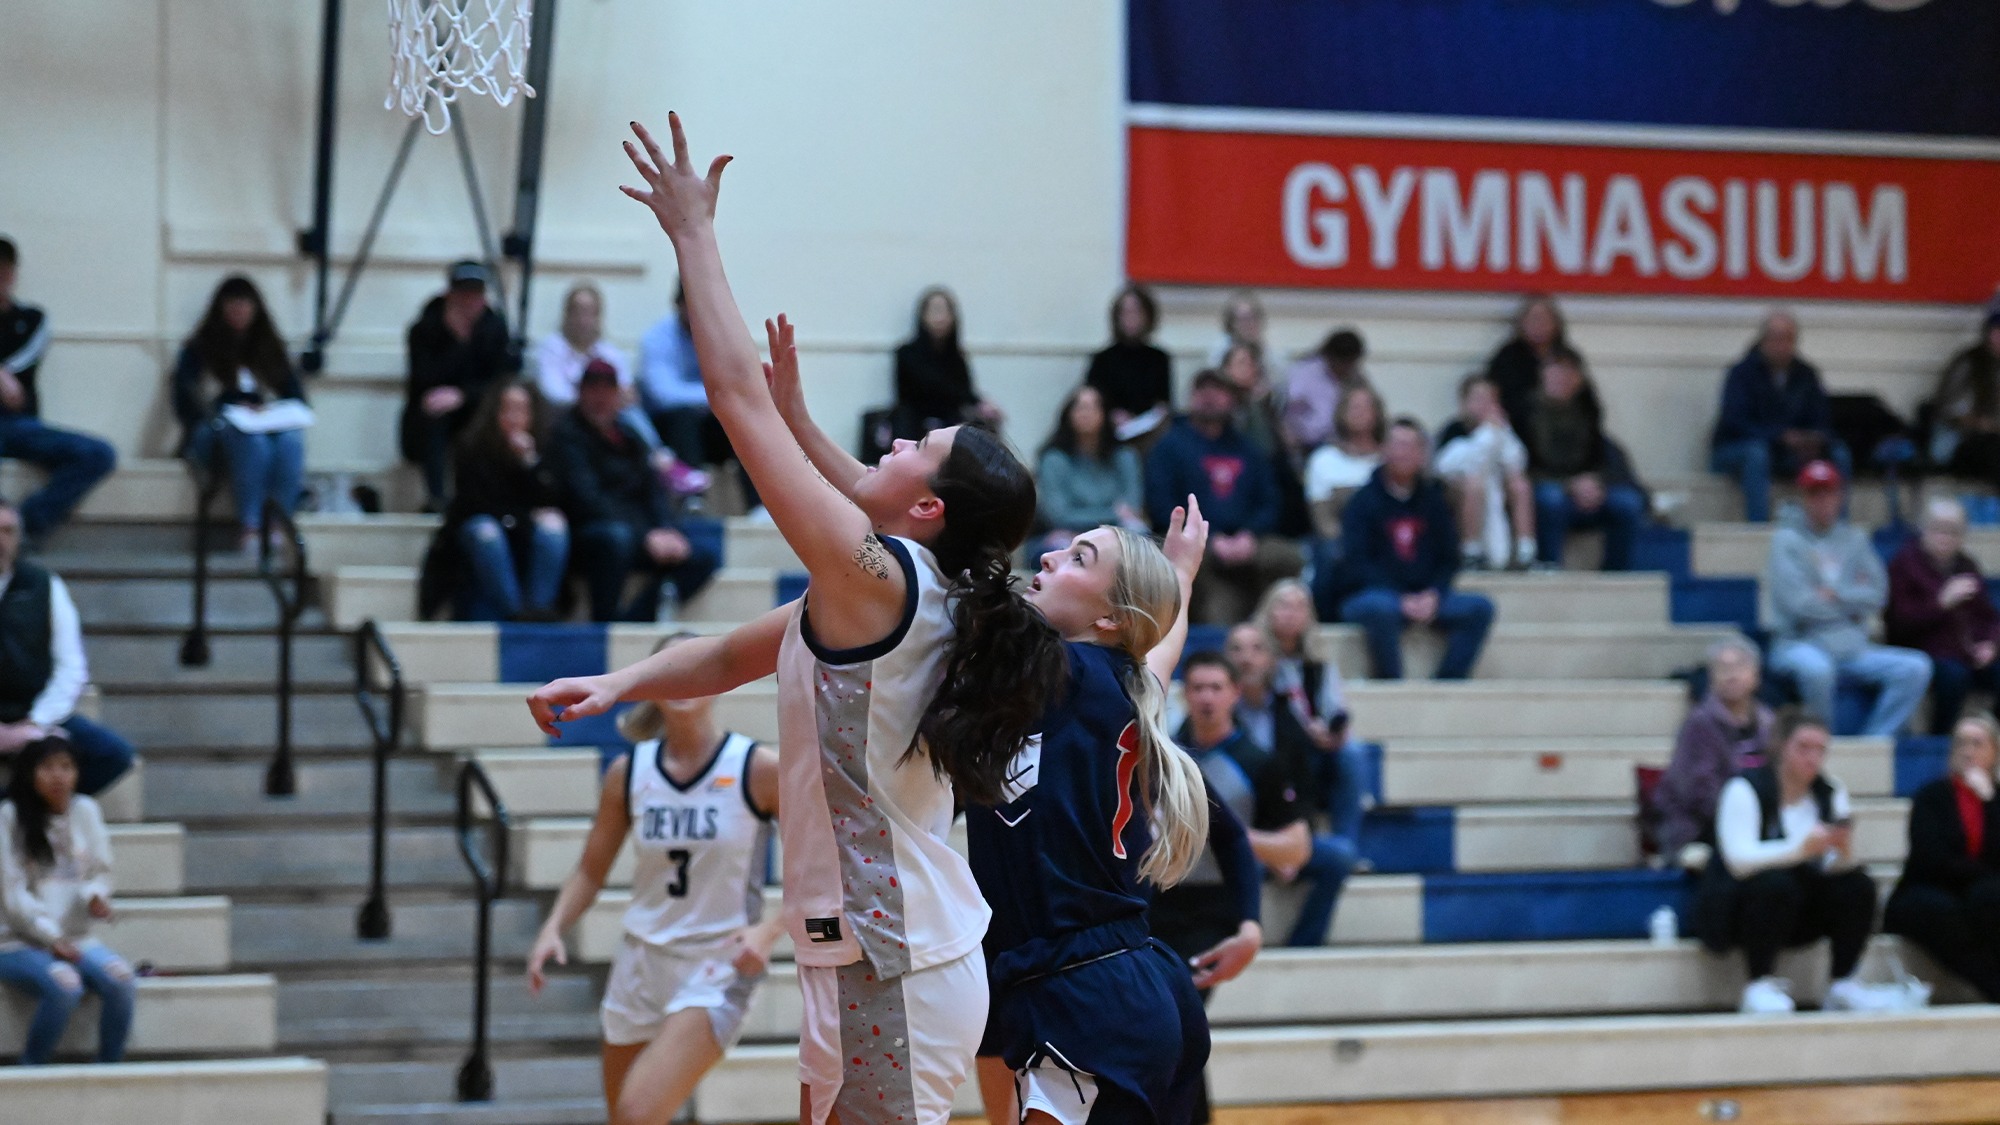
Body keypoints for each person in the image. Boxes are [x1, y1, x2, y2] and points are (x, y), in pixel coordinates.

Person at [531, 116, 1066, 1125]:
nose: (896, 440)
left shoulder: (882, 582)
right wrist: (618, 683)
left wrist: (693, 233)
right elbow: (727, 654)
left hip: (890, 960)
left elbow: (733, 399)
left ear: (929, 506)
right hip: (870, 958)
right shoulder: (904, 587)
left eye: (917, 443)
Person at [968, 505, 1220, 1125]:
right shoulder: (1120, 684)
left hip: (1087, 993)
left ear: (1110, 618)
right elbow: (1160, 651)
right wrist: (1179, 577)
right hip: (1124, 980)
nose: (1049, 555)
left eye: (1079, 557)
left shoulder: (1063, 669)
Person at [527, 634, 782, 1124]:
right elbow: (590, 870)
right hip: (640, 960)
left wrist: (769, 932)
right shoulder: (629, 772)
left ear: (717, 681)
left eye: (693, 671)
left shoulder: (757, 767)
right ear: (653, 685)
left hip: (716, 962)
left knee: (637, 1113)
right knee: (624, 1117)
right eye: (671, 673)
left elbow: (820, 865)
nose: (683, 685)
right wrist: (554, 926)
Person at [1692, 712, 1910, 1014]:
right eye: (1803, 747)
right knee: (1776, 883)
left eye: (1820, 749)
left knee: (1858, 885)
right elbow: (1738, 861)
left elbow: (1834, 866)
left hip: (1800, 909)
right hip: (1741, 908)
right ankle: (1758, 984)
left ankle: (1843, 983)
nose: (1812, 758)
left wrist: (1844, 850)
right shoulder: (1743, 789)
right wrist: (1799, 849)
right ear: (1780, 746)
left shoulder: (1830, 792)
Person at [1765, 460, 1932, 737]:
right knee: (1817, 670)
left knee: (1916, 667)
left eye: (1829, 493)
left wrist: (1837, 595)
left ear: (1839, 496)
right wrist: (1852, 607)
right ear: (1804, 497)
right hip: (1798, 642)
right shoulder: (1786, 541)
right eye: (1815, 494)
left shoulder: (1855, 539)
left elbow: (1878, 594)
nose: (1823, 501)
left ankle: (1874, 743)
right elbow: (1798, 605)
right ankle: (1821, 744)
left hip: (1851, 645)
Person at [550, 361, 720, 623]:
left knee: (702, 555)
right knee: (614, 539)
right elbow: (587, 499)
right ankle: (604, 623)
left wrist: (665, 529)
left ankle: (636, 618)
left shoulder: (630, 435)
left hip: (635, 532)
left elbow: (653, 490)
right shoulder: (566, 436)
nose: (600, 398)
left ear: (617, 395)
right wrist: (645, 535)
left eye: (607, 390)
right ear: (581, 393)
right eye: (593, 389)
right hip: (587, 533)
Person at [1225, 623, 1362, 948]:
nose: (1246, 658)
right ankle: (1238, 946)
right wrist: (1270, 851)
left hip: (1282, 832)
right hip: (1234, 838)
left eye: (1257, 649)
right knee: (1241, 867)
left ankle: (1304, 945)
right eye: (1237, 649)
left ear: (1271, 660)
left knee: (1340, 856)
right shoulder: (1215, 719)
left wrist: (1290, 844)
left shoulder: (1289, 714)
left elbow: (1303, 788)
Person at [0, 737, 135, 1064]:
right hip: (16, 940)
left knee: (122, 980)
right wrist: (51, 937)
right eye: (47, 768)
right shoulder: (10, 816)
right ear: (30, 773)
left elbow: (100, 871)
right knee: (65, 984)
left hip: (75, 938)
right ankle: (32, 1070)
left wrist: (95, 897)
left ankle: (110, 1071)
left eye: (66, 767)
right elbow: (12, 893)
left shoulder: (85, 810)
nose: (58, 776)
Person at [1337, 419, 1495, 681]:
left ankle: (1447, 684)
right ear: (1384, 450)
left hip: (1427, 596)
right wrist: (1401, 599)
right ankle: (1393, 684)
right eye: (1397, 445)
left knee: (1480, 608)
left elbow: (1449, 559)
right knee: (1379, 609)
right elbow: (1356, 562)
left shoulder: (1434, 501)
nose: (1404, 453)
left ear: (1422, 454)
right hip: (1376, 595)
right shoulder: (1362, 502)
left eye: (1411, 446)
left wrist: (1434, 594)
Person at [1145, 370, 1301, 625]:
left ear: (1232, 400)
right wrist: (1212, 538)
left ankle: (1277, 622)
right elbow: (1161, 505)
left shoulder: (1249, 449)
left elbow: (1270, 502)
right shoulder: (1169, 446)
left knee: (1289, 557)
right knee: (1199, 576)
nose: (1209, 397)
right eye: (1202, 390)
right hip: (1192, 539)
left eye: (1218, 391)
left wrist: (1249, 535)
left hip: (1248, 539)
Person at [0, 500, 133, 798]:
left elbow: (71, 666)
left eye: (8, 531)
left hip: (31, 709)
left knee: (113, 755)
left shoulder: (43, 585)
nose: (1, 541)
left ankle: (21, 807)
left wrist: (35, 722)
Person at [170, 275, 309, 552]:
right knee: (251, 442)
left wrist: (268, 409)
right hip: (216, 426)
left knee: (291, 441)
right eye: (233, 307)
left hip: (264, 422)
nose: (239, 313)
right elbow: (187, 399)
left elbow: (295, 397)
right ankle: (251, 524)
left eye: (245, 306)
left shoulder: (271, 349)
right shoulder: (199, 348)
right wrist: (228, 408)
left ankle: (279, 522)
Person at [0, 238, 116, 547]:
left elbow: (22, 370)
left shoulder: (32, 319)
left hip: (19, 425)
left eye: (4, 269)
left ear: (13, 273)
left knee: (98, 454)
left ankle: (22, 526)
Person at [1884, 713, 2000, 1002]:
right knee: (1942, 911)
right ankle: (1993, 986)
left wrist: (1990, 803)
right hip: (1929, 889)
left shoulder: (1996, 800)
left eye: (1977, 743)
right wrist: (1982, 875)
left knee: (1989, 897)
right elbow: (1931, 860)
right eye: (1961, 743)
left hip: (1978, 892)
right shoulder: (1931, 796)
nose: (1968, 751)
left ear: (1995, 752)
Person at [439, 381, 568, 622]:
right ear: (494, 412)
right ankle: (514, 612)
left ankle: (539, 609)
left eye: (522, 410)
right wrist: (517, 519)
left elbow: (552, 498)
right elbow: (474, 504)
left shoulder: (545, 448)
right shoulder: (471, 446)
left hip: (521, 528)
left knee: (554, 525)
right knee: (486, 532)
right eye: (508, 409)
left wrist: (529, 462)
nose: (514, 418)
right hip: (481, 527)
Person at [1709, 311, 1851, 524]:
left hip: (1789, 453)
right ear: (1763, 340)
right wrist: (1779, 436)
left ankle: (1839, 526)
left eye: (1788, 339)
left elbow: (1822, 418)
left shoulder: (1806, 374)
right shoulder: (1741, 373)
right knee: (1756, 454)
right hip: (1739, 449)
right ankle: (1758, 528)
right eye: (1776, 338)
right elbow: (1735, 422)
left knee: (1839, 453)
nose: (1782, 345)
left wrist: (1812, 438)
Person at [401, 260, 518, 511]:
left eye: (475, 295)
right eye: (463, 294)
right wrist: (458, 343)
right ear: (449, 295)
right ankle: (437, 499)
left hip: (478, 408)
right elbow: (422, 381)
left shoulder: (496, 329)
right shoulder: (424, 329)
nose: (469, 302)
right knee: (435, 413)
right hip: (429, 418)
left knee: (492, 417)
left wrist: (463, 395)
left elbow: (500, 382)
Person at [1656, 636, 1776, 866]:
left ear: (1756, 675)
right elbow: (1697, 792)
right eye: (1723, 669)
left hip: (1757, 825)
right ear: (1711, 678)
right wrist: (1742, 820)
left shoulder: (1769, 723)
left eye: (1740, 666)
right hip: (1701, 828)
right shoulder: (1699, 724)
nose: (1732, 675)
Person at [1524, 351, 1647, 571]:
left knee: (1627, 503)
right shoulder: (1524, 416)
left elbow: (1608, 462)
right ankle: (1549, 565)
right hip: (1548, 488)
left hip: (1589, 488)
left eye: (1567, 373)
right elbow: (1524, 467)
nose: (1560, 378)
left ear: (1578, 379)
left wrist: (1596, 483)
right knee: (1550, 498)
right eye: (1554, 372)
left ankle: (1618, 574)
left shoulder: (1589, 413)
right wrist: (1570, 485)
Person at [1886, 498, 2000, 734]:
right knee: (1954, 676)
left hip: (1968, 652)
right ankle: (1941, 738)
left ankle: (1992, 736)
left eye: (1953, 530)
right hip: (1925, 652)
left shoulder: (1966, 566)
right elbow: (1898, 624)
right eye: (1938, 528)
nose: (1945, 536)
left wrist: (1990, 644)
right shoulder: (1905, 564)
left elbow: (1988, 616)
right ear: (1923, 529)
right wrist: (1940, 603)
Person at [1434, 374, 1537, 571]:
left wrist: (1503, 432)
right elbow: (1446, 466)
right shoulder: (1455, 430)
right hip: (1459, 490)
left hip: (1495, 487)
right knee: (1474, 484)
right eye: (1478, 399)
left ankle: (1526, 551)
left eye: (1490, 400)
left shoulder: (1502, 431)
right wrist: (1486, 435)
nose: (1484, 405)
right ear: (1464, 403)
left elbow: (1517, 462)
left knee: (1520, 485)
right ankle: (1471, 551)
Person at [637, 285, 730, 501]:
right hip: (666, 426)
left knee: (742, 421)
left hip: (708, 426)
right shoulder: (656, 338)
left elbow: (732, 387)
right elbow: (664, 395)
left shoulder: (718, 337)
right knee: (684, 417)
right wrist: (713, 396)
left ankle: (760, 503)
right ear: (678, 304)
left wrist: (718, 397)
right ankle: (693, 499)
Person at [1033, 385, 1145, 555]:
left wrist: (1111, 522)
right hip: (1069, 533)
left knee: (1142, 537)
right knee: (1057, 546)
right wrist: (1113, 514)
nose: (1086, 413)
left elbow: (1132, 507)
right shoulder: (1053, 458)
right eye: (1080, 407)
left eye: (1093, 407)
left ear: (1105, 413)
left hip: (1118, 534)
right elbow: (1058, 515)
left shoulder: (1124, 456)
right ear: (1068, 413)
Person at [892, 286, 1003, 439]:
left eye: (945, 311)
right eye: (934, 311)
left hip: (952, 420)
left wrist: (983, 404)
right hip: (917, 421)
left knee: (984, 424)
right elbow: (931, 387)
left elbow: (966, 390)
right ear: (922, 316)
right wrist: (973, 402)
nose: (940, 318)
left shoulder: (957, 356)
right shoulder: (907, 353)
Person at [1083, 284, 1173, 447]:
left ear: (1148, 316)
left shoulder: (1159, 358)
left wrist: (1157, 413)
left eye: (1136, 312)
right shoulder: (1103, 359)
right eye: (1125, 312)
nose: (1131, 318)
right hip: (1111, 433)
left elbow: (1164, 401)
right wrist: (1112, 414)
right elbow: (1092, 399)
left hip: (1149, 433)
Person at [1924, 308, 2000, 483]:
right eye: (1996, 332)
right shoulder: (1970, 363)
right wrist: (1983, 424)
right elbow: (1953, 411)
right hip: (1961, 442)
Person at [1484, 294, 1576, 434]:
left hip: (1567, 429)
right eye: (1534, 319)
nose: (1539, 324)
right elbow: (1497, 398)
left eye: (1544, 319)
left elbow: (1587, 403)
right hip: (1517, 429)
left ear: (1556, 323)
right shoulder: (1507, 357)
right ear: (1522, 323)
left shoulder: (1567, 357)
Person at [1282, 328, 1366, 456]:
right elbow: (1291, 411)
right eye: (1345, 364)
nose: (1348, 369)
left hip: (1341, 444)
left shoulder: (1356, 379)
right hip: (1307, 445)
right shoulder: (1305, 373)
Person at [1207, 290, 1266, 369]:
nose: (1250, 324)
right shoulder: (1222, 350)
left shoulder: (1263, 348)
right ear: (1232, 323)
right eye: (1244, 319)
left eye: (1254, 317)